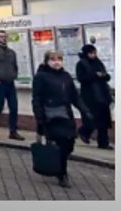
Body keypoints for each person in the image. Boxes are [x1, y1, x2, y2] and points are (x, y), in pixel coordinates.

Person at [33, 49, 93, 187]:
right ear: (47, 61)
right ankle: (62, 174)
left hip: (66, 115)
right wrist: (40, 118)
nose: (57, 62)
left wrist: (85, 111)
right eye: (53, 60)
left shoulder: (66, 76)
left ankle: (59, 166)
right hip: (51, 116)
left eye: (59, 59)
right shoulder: (41, 77)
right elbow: (36, 99)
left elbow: (74, 96)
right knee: (60, 144)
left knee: (69, 144)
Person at [75, 44, 112, 150]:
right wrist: (95, 75)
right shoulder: (81, 64)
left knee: (103, 120)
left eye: (95, 53)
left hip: (103, 95)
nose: (94, 55)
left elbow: (107, 76)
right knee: (92, 119)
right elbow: (81, 78)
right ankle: (84, 131)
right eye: (91, 53)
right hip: (90, 95)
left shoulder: (98, 62)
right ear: (86, 53)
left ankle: (103, 143)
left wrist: (104, 76)